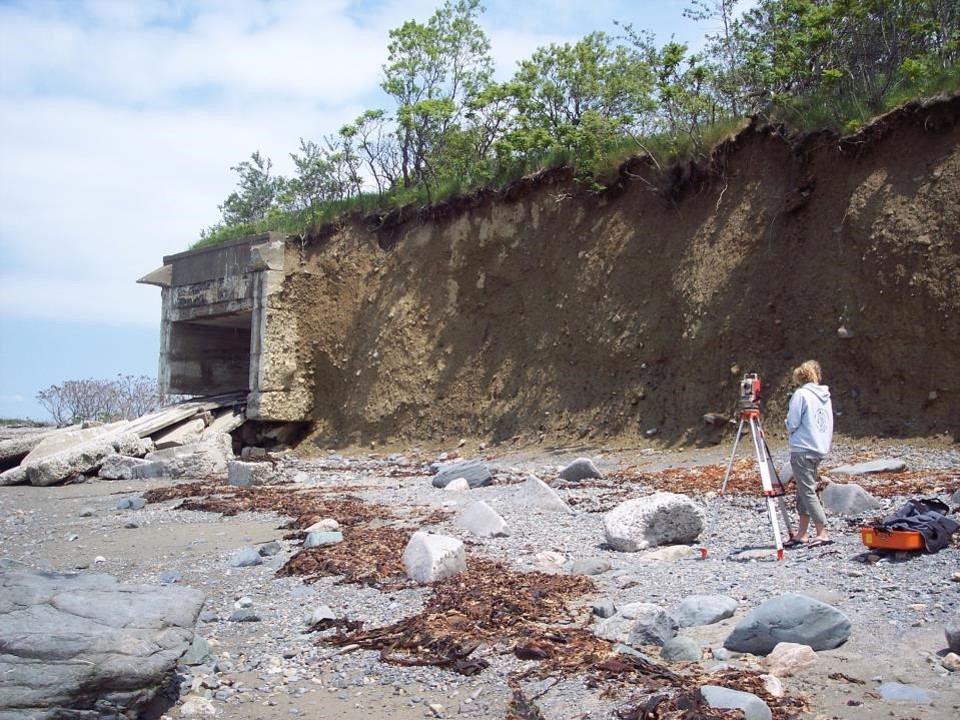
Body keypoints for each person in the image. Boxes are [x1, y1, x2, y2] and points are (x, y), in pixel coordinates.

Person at [783, 360, 834, 548]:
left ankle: (822, 531)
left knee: (807, 491)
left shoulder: (801, 394)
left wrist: (787, 423)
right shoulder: (825, 396)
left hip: (803, 449)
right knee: (803, 491)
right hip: (818, 448)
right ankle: (802, 533)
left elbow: (793, 423)